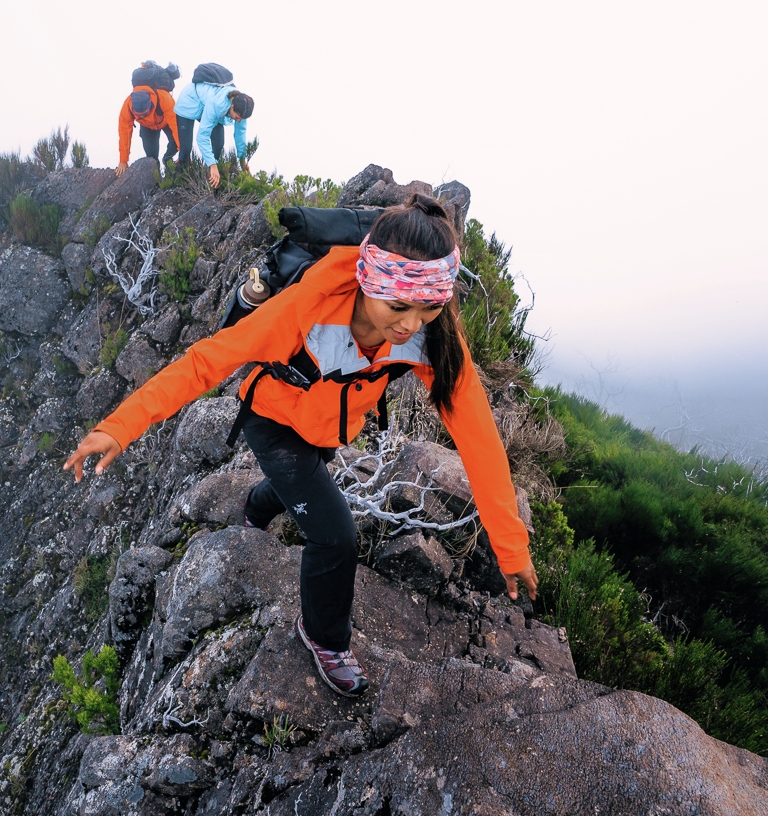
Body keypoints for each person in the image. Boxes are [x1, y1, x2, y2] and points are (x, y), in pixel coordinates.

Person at [64, 195, 538, 699]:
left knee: (304, 479)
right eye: (398, 306)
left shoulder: (434, 336)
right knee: (335, 535)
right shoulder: (307, 306)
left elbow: (478, 435)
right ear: (367, 282)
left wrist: (511, 548)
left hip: (328, 429)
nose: (410, 324)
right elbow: (209, 360)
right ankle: (324, 638)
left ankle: (255, 506)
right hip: (272, 421)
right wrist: (120, 426)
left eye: (428, 308)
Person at [174, 64, 254, 188]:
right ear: (231, 107)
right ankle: (180, 182)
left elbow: (240, 134)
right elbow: (202, 137)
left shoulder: (242, 106)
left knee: (218, 143)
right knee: (185, 149)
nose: (239, 121)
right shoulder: (217, 104)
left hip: (206, 104)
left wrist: (242, 160)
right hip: (189, 102)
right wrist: (212, 164)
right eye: (237, 117)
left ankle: (208, 179)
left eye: (241, 119)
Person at [117, 86, 180, 176]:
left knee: (175, 143)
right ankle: (156, 179)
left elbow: (176, 126)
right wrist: (123, 160)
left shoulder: (164, 99)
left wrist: (183, 153)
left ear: (151, 105)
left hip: (165, 121)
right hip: (147, 126)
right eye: (138, 116)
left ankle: (167, 161)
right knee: (151, 157)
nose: (142, 117)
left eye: (145, 114)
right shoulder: (127, 106)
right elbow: (124, 133)